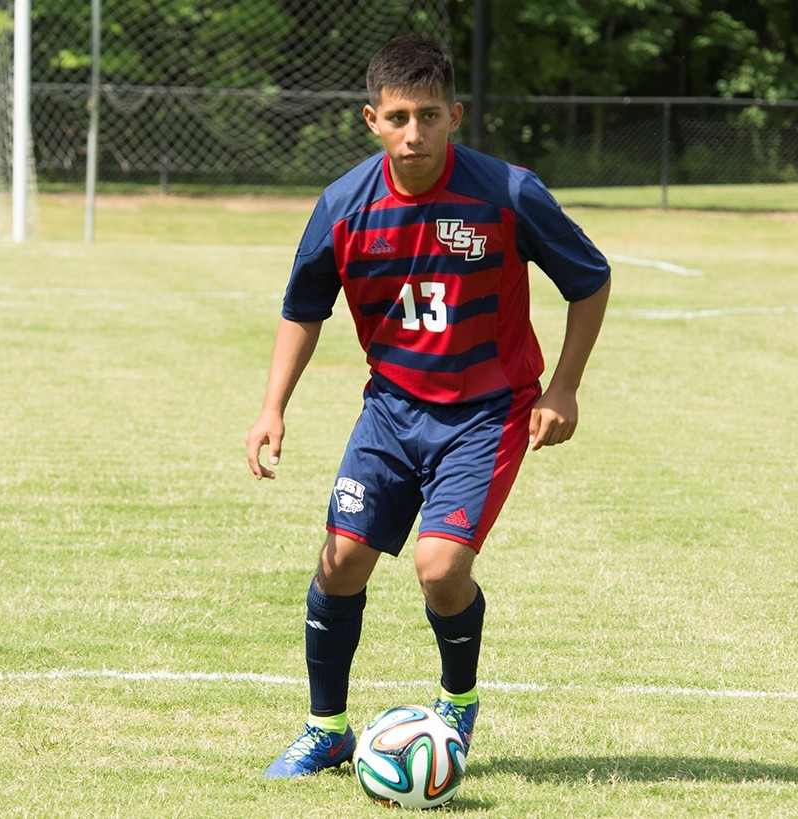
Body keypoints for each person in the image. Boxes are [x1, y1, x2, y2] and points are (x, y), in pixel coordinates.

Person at [245, 34, 610, 779]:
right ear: (372, 118)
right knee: (341, 560)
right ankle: (326, 728)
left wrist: (564, 385)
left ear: (456, 115)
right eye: (401, 116)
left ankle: (458, 701)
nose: (417, 133)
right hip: (391, 410)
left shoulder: (507, 193)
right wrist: (271, 406)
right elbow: (304, 308)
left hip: (487, 411)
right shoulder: (343, 206)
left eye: (432, 115)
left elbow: (590, 278)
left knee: (440, 569)